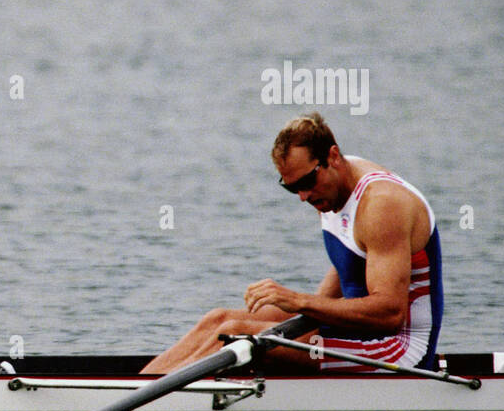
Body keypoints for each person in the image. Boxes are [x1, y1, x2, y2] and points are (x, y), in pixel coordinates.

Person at [142, 112, 443, 374]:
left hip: (397, 352)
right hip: (358, 333)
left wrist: (299, 301)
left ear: (333, 157)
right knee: (219, 320)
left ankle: (150, 403)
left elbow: (389, 314)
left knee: (235, 332)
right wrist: (303, 319)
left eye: (306, 183)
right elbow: (350, 265)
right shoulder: (333, 187)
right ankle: (136, 387)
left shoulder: (382, 205)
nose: (302, 196)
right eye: (292, 188)